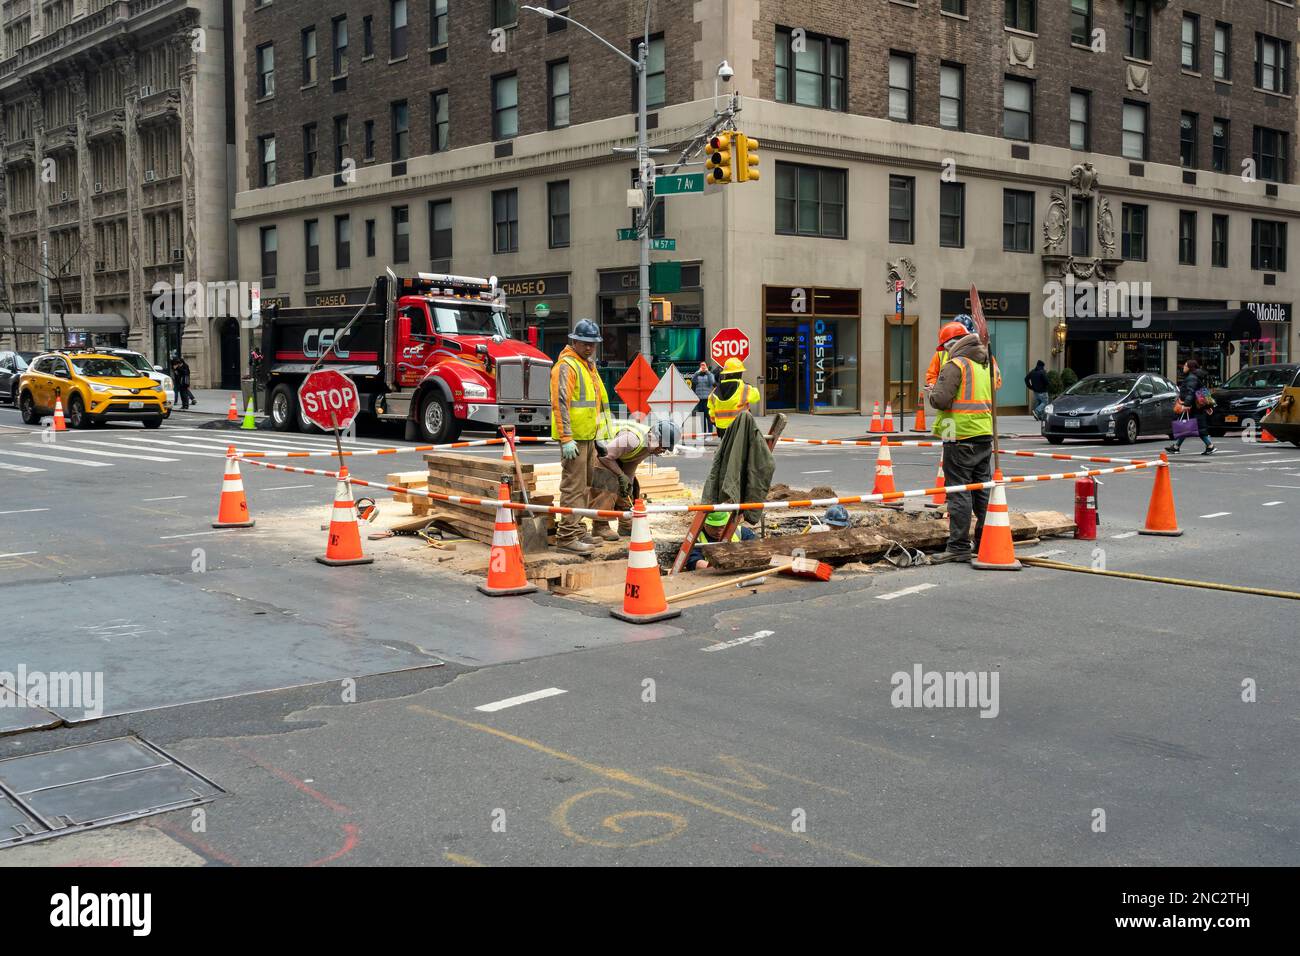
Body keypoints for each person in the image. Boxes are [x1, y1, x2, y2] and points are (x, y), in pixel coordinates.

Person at [928, 322, 996, 563]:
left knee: (959, 492)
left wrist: (931, 390)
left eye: (945, 347)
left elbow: (940, 399)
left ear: (951, 345)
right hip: (983, 435)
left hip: (959, 435)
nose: (944, 351)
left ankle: (958, 546)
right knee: (981, 491)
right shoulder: (985, 363)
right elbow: (995, 388)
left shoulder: (955, 364)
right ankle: (985, 540)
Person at [549, 319, 611, 554]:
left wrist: (599, 437)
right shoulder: (567, 366)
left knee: (584, 486)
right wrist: (566, 438)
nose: (589, 347)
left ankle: (576, 530)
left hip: (586, 436)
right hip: (573, 438)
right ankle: (566, 537)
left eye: (592, 344)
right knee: (573, 487)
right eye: (585, 343)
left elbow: (594, 406)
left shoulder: (587, 367)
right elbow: (560, 403)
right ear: (574, 341)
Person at [596, 418, 681, 538]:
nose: (662, 451)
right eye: (663, 446)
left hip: (614, 454)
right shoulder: (632, 440)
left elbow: (631, 462)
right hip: (599, 451)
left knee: (630, 487)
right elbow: (604, 456)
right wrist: (620, 475)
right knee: (608, 480)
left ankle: (626, 525)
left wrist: (628, 483)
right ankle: (600, 526)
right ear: (655, 436)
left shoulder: (648, 446)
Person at [1166, 359, 1217, 456]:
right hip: (1196, 406)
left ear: (1189, 367)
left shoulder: (1191, 378)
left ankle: (1210, 446)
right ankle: (1176, 447)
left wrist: (1186, 404)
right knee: (1186, 426)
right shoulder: (1194, 377)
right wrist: (1207, 406)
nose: (1183, 367)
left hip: (1194, 407)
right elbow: (1200, 392)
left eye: (1185, 365)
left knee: (1196, 427)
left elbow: (1191, 391)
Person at [686, 511, 756, 571]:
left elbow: (758, 549)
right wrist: (722, 568)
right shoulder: (696, 538)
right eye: (714, 527)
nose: (719, 531)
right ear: (704, 524)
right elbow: (693, 562)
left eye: (722, 526)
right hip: (710, 577)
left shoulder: (741, 532)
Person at [707, 357, 761, 432]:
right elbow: (756, 397)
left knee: (725, 444)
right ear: (739, 373)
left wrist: (714, 421)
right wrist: (748, 385)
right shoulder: (745, 388)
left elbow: (711, 410)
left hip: (722, 428)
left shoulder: (714, 392)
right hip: (740, 427)